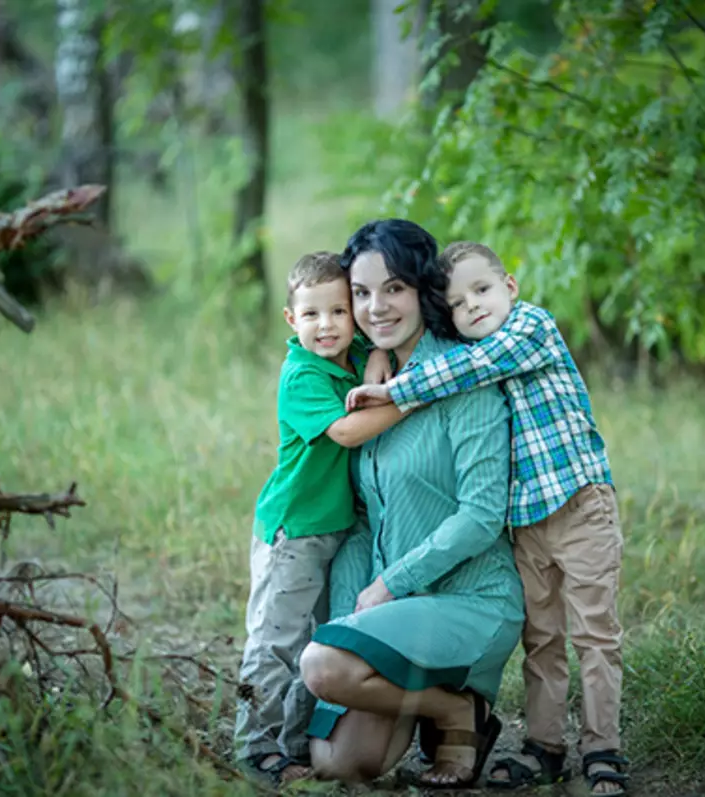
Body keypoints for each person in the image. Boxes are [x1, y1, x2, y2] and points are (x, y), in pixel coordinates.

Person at [346, 241, 629, 795]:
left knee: (594, 634)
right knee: (542, 638)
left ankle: (603, 748)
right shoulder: (471, 357)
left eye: (482, 290)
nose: (472, 306)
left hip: (579, 508)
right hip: (525, 521)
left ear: (511, 287)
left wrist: (391, 388)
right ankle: (545, 745)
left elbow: (471, 366)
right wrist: (377, 353)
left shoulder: (529, 331)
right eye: (456, 302)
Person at [297, 220, 526, 789]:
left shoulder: (462, 376)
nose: (377, 308)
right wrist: (352, 613)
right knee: (341, 763)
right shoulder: (360, 384)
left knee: (322, 665)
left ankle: (455, 709)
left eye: (394, 289)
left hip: (472, 600)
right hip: (393, 608)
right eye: (362, 293)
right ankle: (437, 703)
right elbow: (363, 522)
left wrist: (389, 587)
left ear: (421, 288)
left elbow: (481, 514)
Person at [233, 251, 400, 786]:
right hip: (295, 530)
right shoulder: (301, 375)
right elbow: (348, 433)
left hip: (334, 526)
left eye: (337, 312)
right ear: (291, 320)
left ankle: (292, 742)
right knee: (275, 640)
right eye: (311, 315)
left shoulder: (350, 351)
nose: (325, 326)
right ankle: (254, 746)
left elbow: (380, 343)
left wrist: (376, 353)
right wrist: (413, 399)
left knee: (315, 641)